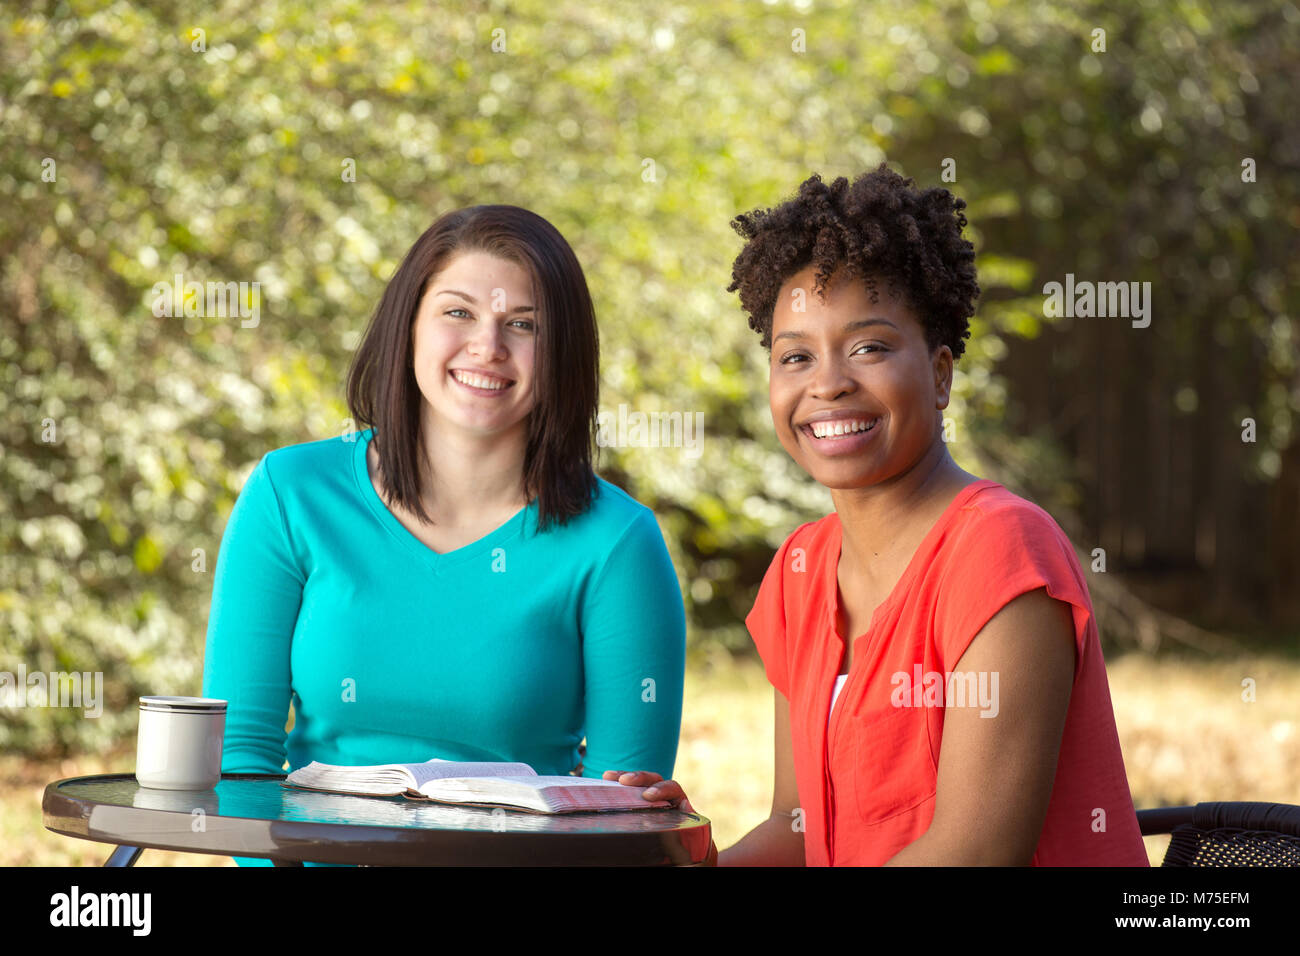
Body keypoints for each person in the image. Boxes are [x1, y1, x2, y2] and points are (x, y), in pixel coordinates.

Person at [610, 165, 1149, 866]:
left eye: (869, 347)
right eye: (795, 356)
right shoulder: (800, 569)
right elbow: (796, 829)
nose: (828, 383)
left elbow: (975, 852)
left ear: (942, 374)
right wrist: (682, 859)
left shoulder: (1000, 549)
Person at [203, 205, 686, 866]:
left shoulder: (619, 542)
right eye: (458, 312)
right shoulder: (290, 493)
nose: (488, 346)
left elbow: (617, 814)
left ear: (563, 353)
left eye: (523, 324)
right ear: (409, 326)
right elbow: (241, 764)